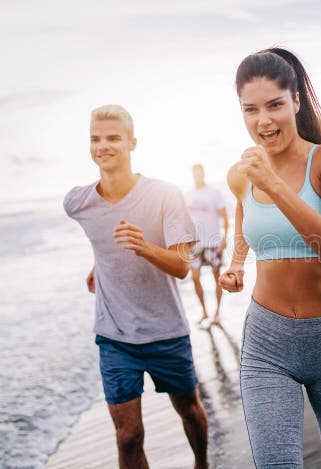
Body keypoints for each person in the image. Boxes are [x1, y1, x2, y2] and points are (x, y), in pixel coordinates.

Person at [219, 48, 321, 469]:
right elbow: (244, 213)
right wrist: (236, 262)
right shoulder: (241, 173)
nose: (263, 121)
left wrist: (275, 184)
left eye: (274, 105)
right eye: (250, 110)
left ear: (296, 102)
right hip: (266, 344)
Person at [64, 105, 209, 469]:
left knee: (190, 411)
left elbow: (181, 266)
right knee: (128, 436)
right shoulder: (78, 202)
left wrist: (144, 247)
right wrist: (100, 263)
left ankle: (202, 464)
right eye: (96, 139)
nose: (103, 146)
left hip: (166, 332)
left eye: (113, 138)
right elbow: (102, 235)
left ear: (132, 142)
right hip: (115, 337)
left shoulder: (164, 195)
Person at [184, 163, 229, 326]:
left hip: (213, 242)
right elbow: (185, 220)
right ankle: (204, 312)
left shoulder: (214, 193)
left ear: (203, 173)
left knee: (217, 278)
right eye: (194, 173)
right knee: (195, 277)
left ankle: (217, 313)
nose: (197, 175)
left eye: (199, 173)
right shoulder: (188, 194)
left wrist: (225, 238)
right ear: (192, 174)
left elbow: (225, 217)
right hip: (194, 243)